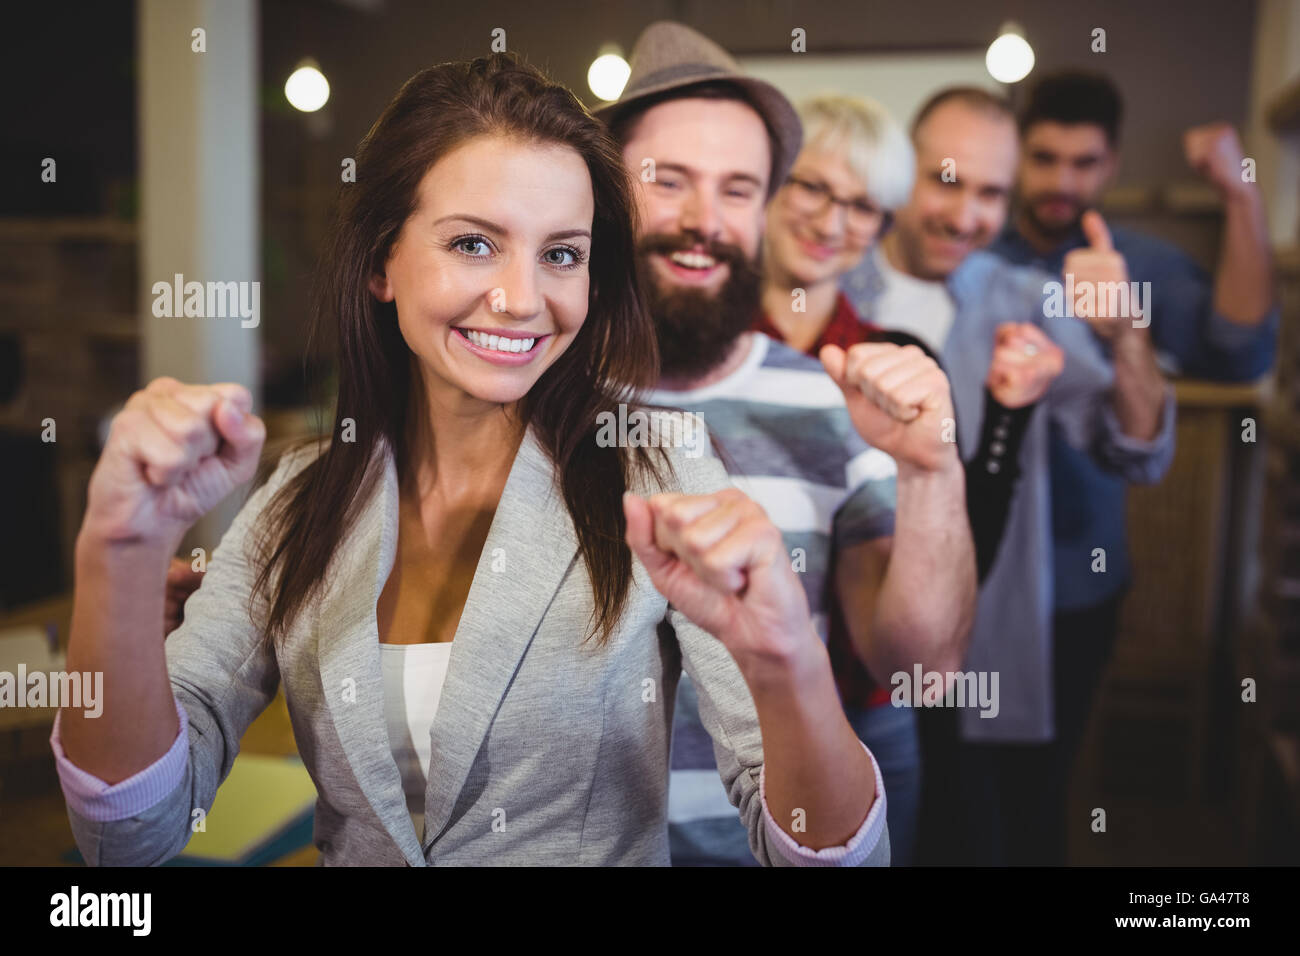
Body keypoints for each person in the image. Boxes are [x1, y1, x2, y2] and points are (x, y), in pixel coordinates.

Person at [50, 53, 889, 867]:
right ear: (381, 261)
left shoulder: (652, 465)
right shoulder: (299, 497)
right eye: (474, 244)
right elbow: (130, 836)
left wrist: (789, 662)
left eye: (562, 254)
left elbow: (831, 853)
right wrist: (117, 556)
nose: (523, 299)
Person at [597, 21, 977, 867]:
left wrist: (930, 470)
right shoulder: (533, 386)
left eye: (738, 189)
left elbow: (920, 667)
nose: (704, 221)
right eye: (667, 180)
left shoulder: (829, 399)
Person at [840, 86, 1177, 865]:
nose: (966, 216)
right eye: (947, 182)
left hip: (977, 638)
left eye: (991, 193)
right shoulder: (831, 280)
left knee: (984, 835)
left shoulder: (1029, 300)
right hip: (840, 639)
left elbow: (1140, 451)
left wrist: (1125, 334)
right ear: (902, 174)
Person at [751, 91, 1064, 862]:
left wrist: (1003, 417)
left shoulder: (897, 362)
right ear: (767, 187)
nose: (832, 223)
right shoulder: (697, 349)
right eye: (813, 188)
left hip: (869, 711)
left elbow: (961, 562)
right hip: (706, 711)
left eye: (863, 205)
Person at [988, 72, 1279, 811]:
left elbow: (1241, 352)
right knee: (957, 795)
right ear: (1018, 152)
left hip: (1078, 576)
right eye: (1045, 158)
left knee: (1041, 795)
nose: (1061, 181)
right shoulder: (969, 242)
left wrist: (1240, 193)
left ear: (1111, 163)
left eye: (1083, 163)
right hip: (969, 577)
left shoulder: (1135, 266)